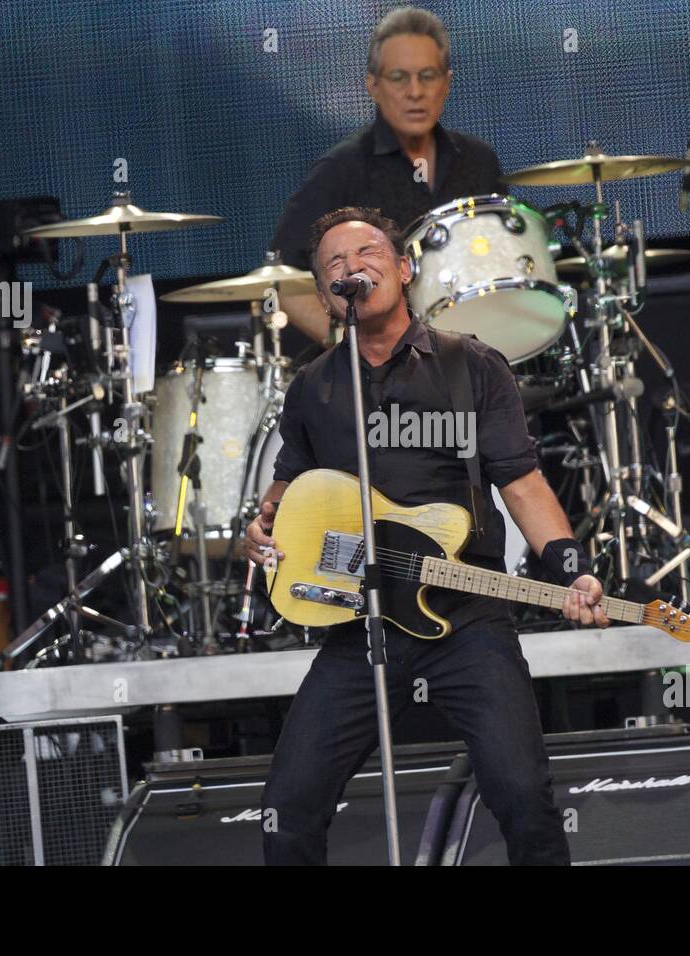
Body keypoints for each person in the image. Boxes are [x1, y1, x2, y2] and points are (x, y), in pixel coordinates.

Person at [245, 207, 610, 865]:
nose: (351, 268)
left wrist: (569, 567)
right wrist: (263, 529)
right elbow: (288, 491)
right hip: (363, 622)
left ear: (406, 268)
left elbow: (522, 482)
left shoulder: (470, 367)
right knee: (287, 808)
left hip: (465, 616)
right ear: (326, 295)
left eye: (367, 254)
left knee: (524, 796)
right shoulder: (313, 390)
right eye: (334, 264)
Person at [270, 7, 503, 346]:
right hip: (388, 380)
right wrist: (356, 349)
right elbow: (281, 279)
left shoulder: (479, 159)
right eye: (398, 77)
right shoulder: (343, 168)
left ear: (447, 83)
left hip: (479, 351)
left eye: (427, 75)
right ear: (373, 86)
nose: (415, 92)